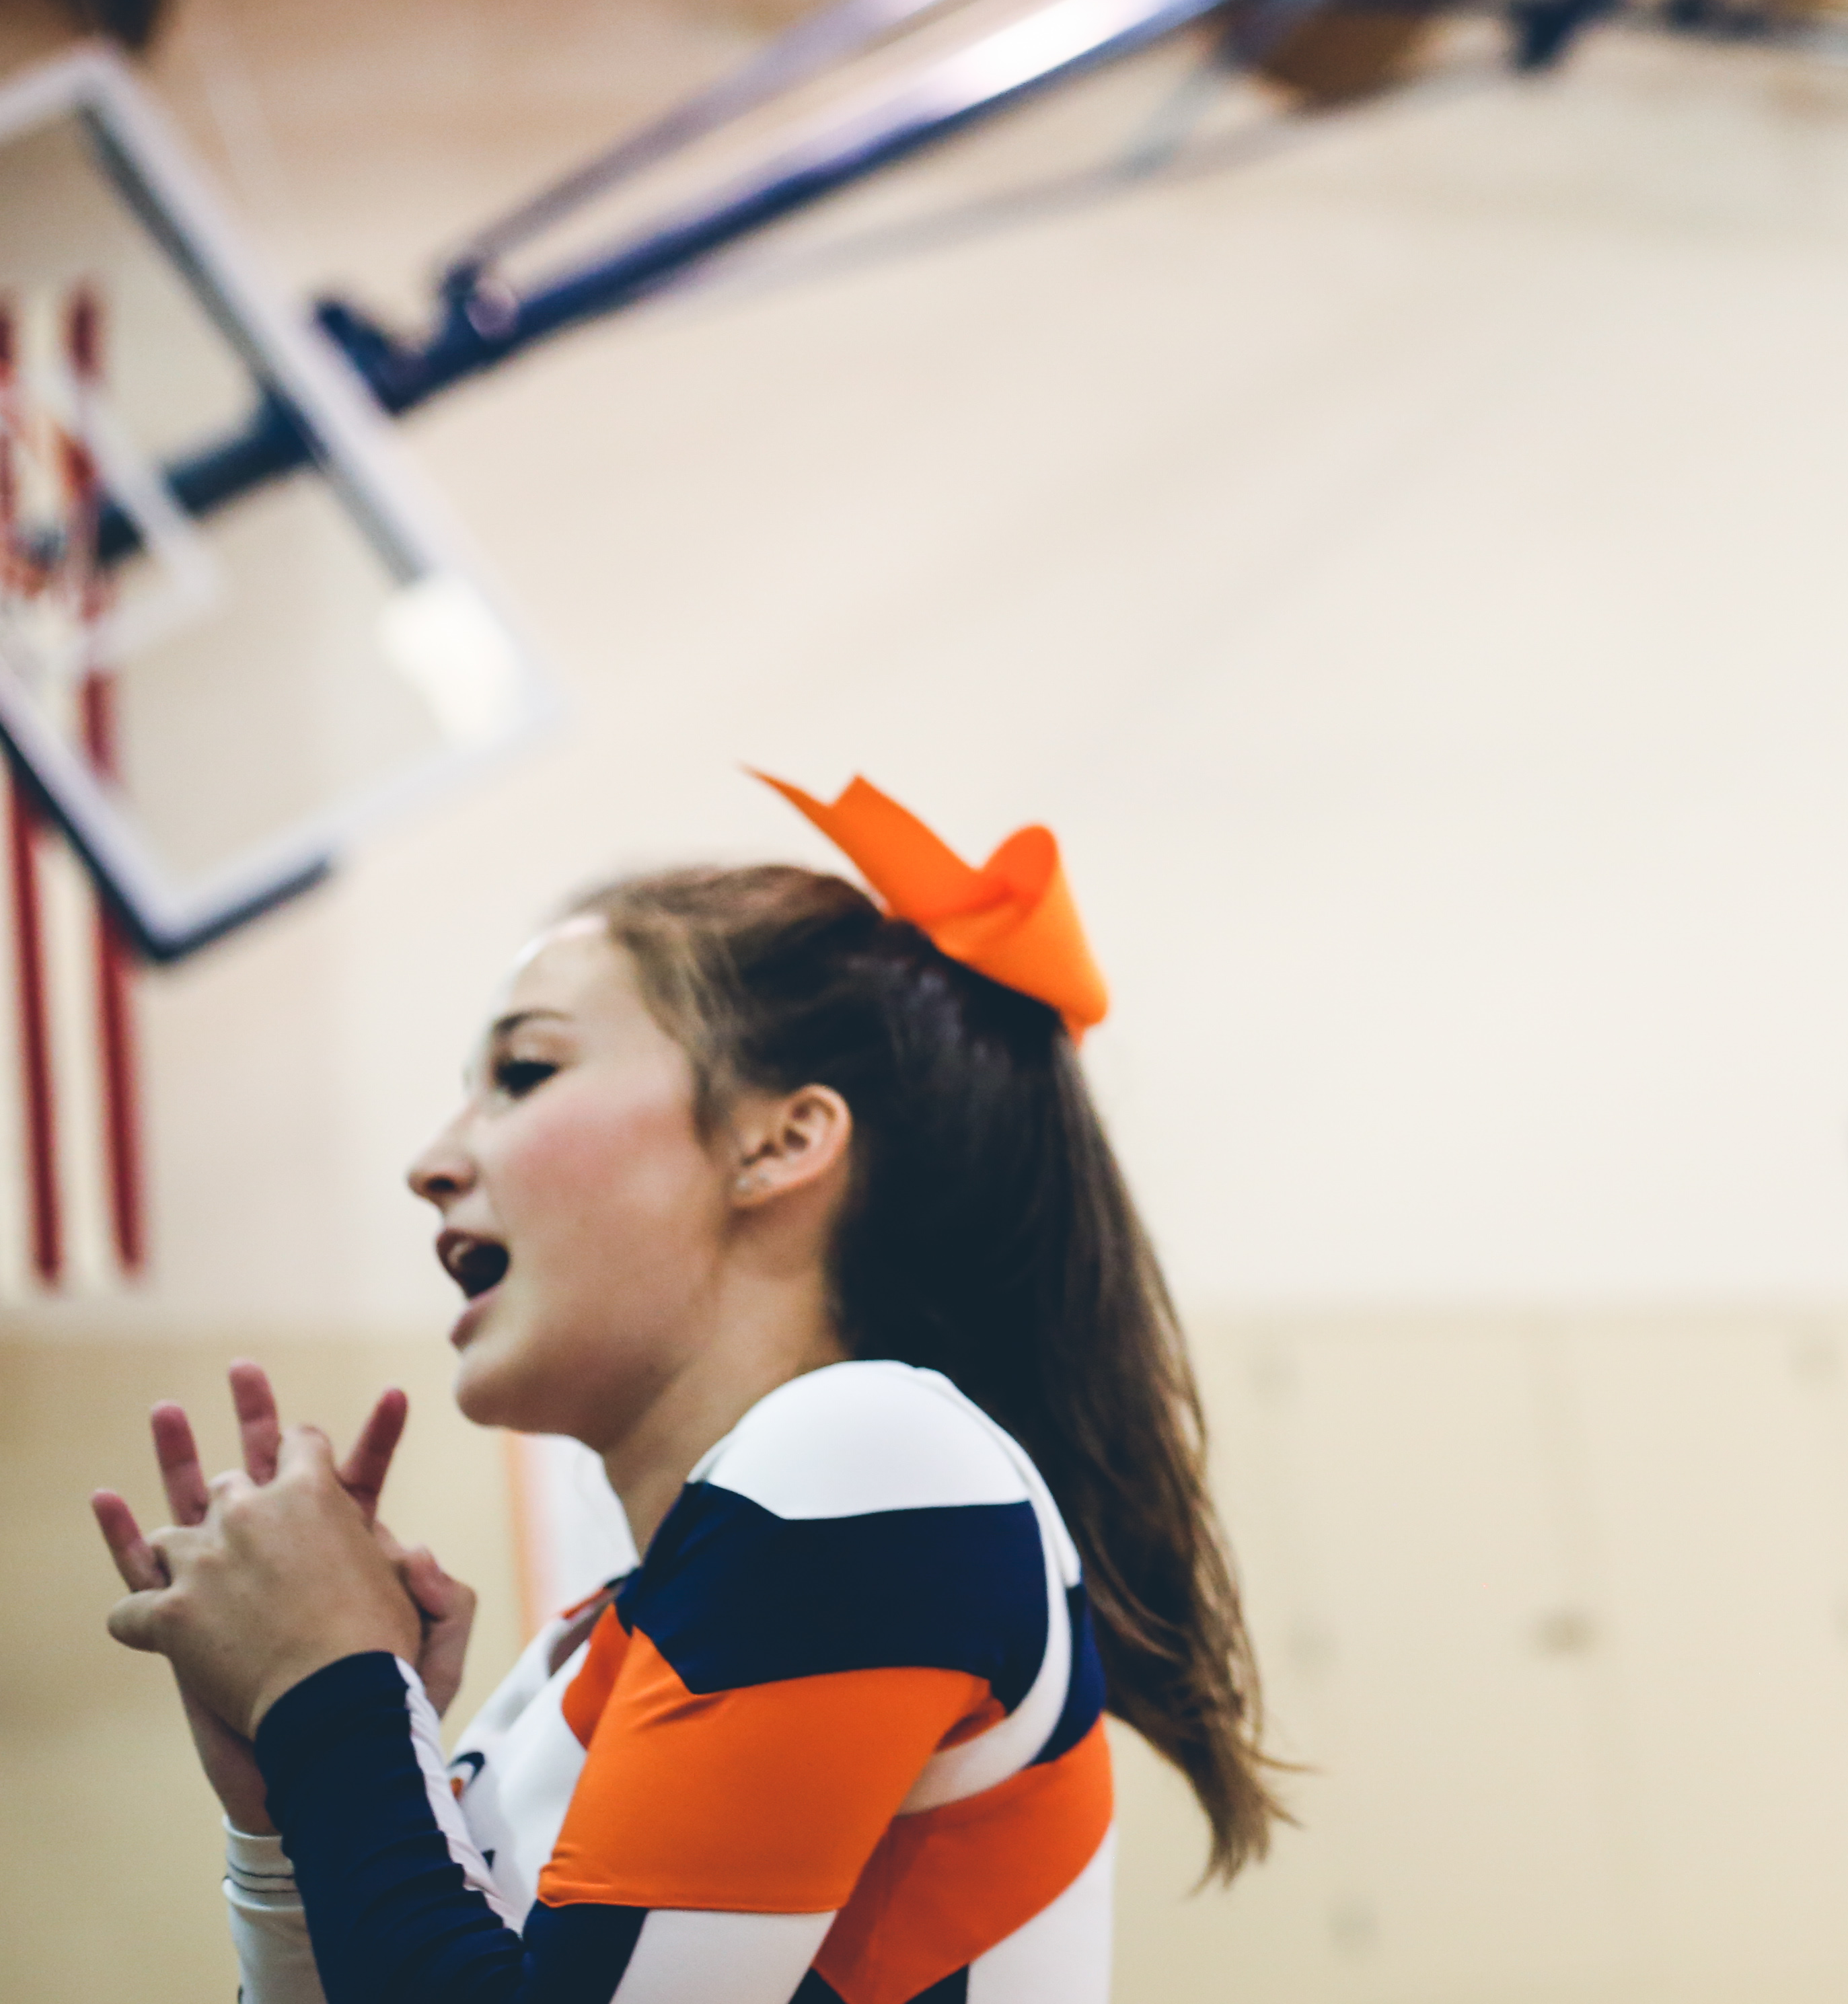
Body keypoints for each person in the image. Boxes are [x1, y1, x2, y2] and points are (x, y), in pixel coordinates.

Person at [91, 774, 1280, 2004]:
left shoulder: (872, 1456)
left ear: (780, 1141)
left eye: (525, 1071)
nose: (434, 1163)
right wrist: (293, 1805)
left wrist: (328, 1694)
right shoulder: (575, 1656)